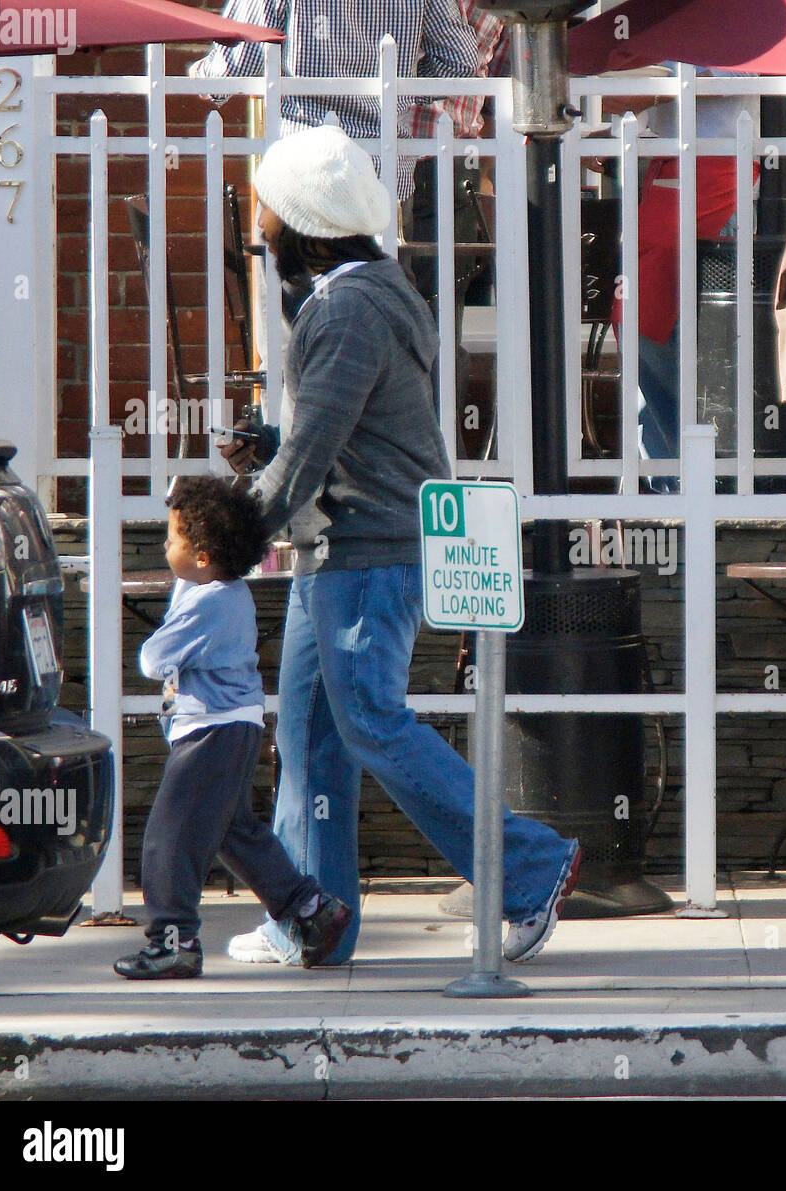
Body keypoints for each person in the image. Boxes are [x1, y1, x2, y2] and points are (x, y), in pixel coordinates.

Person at [218, 124, 579, 966]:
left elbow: (314, 458)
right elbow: (337, 437)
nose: (257, 219)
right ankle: (313, 918)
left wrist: (230, 536)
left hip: (369, 554)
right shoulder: (368, 290)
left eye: (266, 204)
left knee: (372, 722)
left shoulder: (346, 307)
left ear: (300, 218)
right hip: (341, 549)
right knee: (309, 736)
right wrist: (273, 451)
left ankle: (529, 865)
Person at [114, 478, 351, 980]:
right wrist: (182, 504)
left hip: (210, 733)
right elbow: (186, 582)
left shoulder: (208, 603)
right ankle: (309, 909)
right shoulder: (222, 590)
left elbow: (153, 658)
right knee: (234, 832)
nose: (164, 546)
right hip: (232, 728)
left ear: (201, 556)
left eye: (172, 539)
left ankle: (172, 941)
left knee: (168, 839)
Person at [604, 62, 760, 490]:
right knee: (643, 328)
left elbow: (746, 73)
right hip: (670, 169)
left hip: (717, 177)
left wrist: (645, 91)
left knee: (705, 351)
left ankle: (698, 487)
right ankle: (673, 488)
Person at [190, 0, 482, 207]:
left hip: (302, 166)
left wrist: (204, 78)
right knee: (376, 290)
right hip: (383, 174)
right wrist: (398, 92)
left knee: (300, 291)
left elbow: (237, 64)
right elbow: (460, 61)